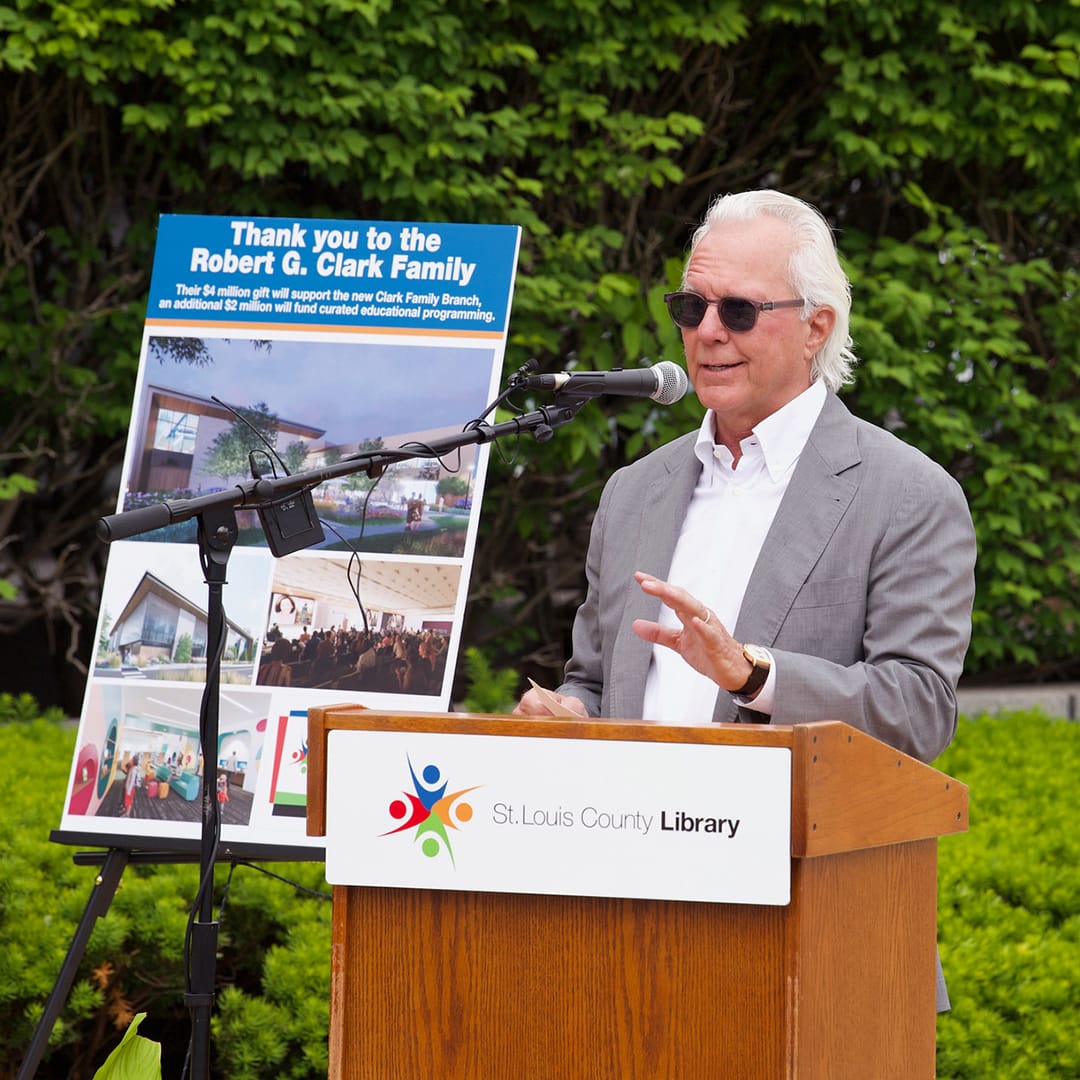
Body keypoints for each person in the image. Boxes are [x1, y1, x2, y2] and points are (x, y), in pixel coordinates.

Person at [514, 189, 977, 1009]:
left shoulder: (907, 493)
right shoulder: (634, 492)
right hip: (619, 925)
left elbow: (920, 706)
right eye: (691, 306)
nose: (706, 331)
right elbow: (593, 676)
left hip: (816, 940)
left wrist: (754, 675)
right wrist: (572, 713)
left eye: (737, 308)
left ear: (817, 325)